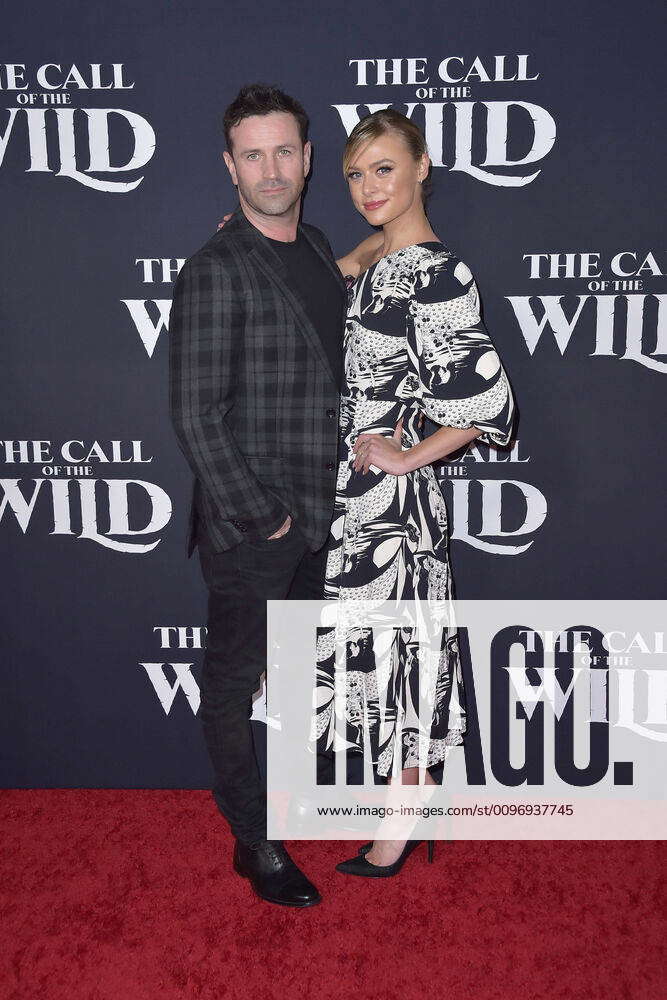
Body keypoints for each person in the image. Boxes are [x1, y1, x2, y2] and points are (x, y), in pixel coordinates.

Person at [312, 109, 516, 877]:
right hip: (354, 499)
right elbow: (364, 253)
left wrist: (405, 457)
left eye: (385, 169)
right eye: (355, 174)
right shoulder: (386, 256)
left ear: (421, 167)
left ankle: (401, 820)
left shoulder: (438, 274)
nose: (368, 187)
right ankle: (406, 799)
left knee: (402, 658)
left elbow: (485, 404)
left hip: (391, 508)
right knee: (378, 653)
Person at [168, 84, 348, 908]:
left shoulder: (316, 245)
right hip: (255, 530)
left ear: (307, 159)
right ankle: (253, 842)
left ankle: (288, 800)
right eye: (252, 155)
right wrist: (264, 517)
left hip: (321, 516)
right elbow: (195, 415)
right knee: (233, 681)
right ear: (229, 166)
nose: (270, 170)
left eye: (283, 152)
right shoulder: (214, 269)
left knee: (295, 669)